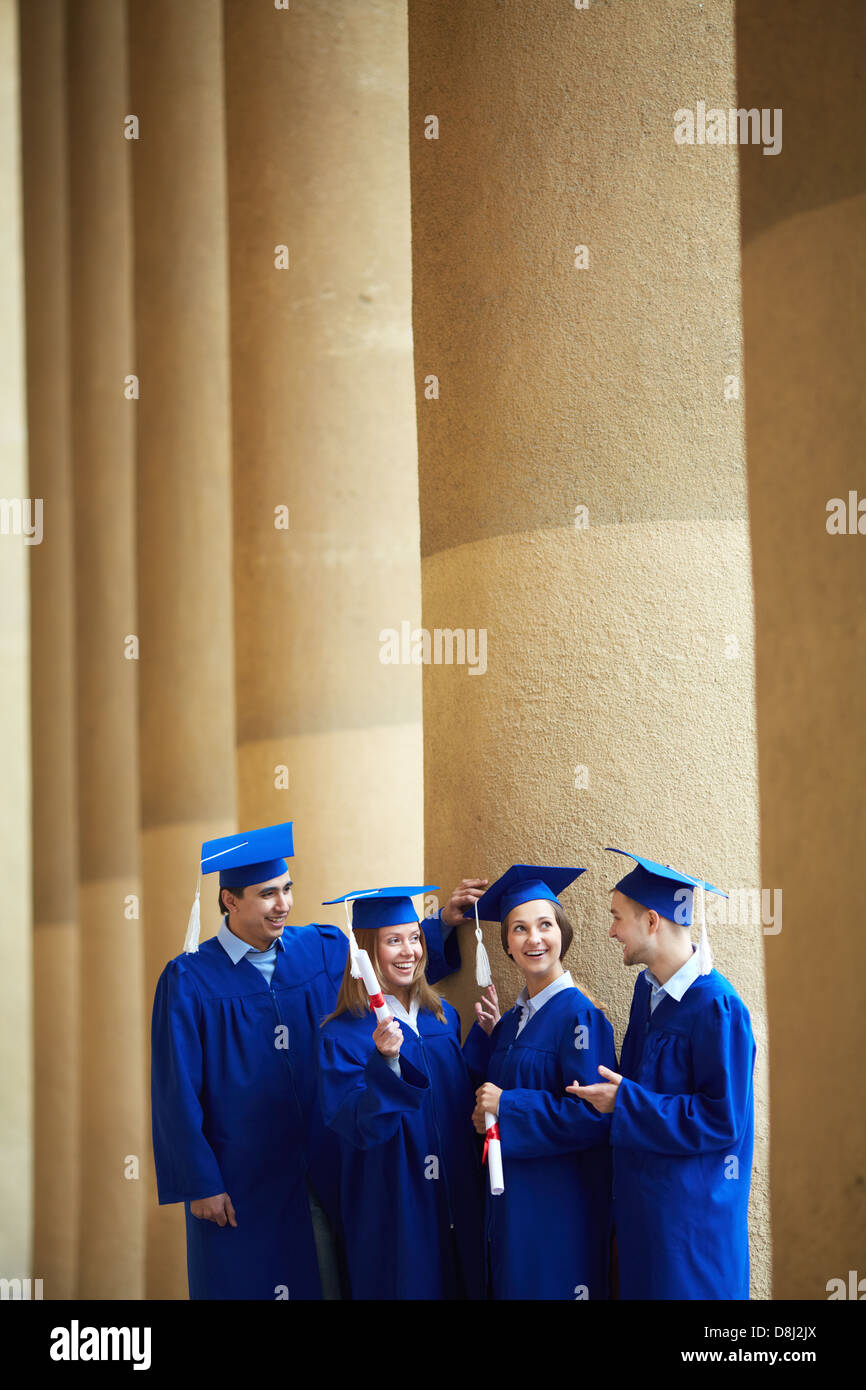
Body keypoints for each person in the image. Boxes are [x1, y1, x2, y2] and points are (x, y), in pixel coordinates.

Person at [150, 823, 469, 1300]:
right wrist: (199, 1182)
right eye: (267, 894)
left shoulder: (319, 947)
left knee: (329, 1278)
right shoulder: (190, 978)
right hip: (243, 1170)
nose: (283, 904)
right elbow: (175, 1088)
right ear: (230, 902)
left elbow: (388, 962)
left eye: (287, 890)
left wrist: (440, 924)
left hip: (325, 1156)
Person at [568, 848, 755, 1300]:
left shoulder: (718, 1006)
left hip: (691, 1221)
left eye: (617, 918)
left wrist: (625, 1102)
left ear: (652, 921)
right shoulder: (646, 989)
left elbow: (722, 1120)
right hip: (643, 1210)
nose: (611, 931)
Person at [318, 882, 489, 1300]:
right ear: (366, 954)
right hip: (396, 1200)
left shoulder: (443, 1015)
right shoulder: (342, 1035)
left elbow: (458, 1096)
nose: (409, 951)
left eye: (414, 938)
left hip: (457, 1193)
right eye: (393, 941)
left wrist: (487, 1039)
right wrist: (386, 1063)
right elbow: (356, 1126)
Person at [464, 864, 616, 1301]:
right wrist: (485, 1111)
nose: (534, 939)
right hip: (511, 1205)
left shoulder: (581, 1016)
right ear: (507, 946)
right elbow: (488, 1100)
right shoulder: (511, 1022)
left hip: (558, 1204)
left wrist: (506, 1106)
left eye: (544, 925)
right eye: (519, 929)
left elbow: (593, 1115)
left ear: (561, 934)